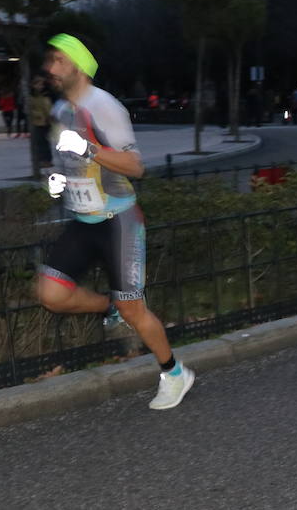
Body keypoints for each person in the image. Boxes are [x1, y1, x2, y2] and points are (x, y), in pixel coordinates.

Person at [35, 34, 194, 411]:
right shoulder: (59, 112)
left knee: (134, 310)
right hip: (82, 220)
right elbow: (62, 164)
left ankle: (174, 374)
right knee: (51, 294)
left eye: (57, 60)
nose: (50, 68)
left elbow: (135, 167)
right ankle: (108, 306)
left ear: (77, 65)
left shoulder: (103, 107)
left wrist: (89, 148)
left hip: (118, 221)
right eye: (49, 60)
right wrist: (53, 181)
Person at [28, 75, 54, 176]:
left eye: (41, 84)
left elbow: (48, 107)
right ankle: (41, 160)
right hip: (37, 121)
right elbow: (32, 109)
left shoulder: (45, 95)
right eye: (37, 84)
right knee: (39, 141)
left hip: (45, 121)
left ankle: (47, 160)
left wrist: (49, 117)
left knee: (45, 142)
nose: (40, 86)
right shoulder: (32, 96)